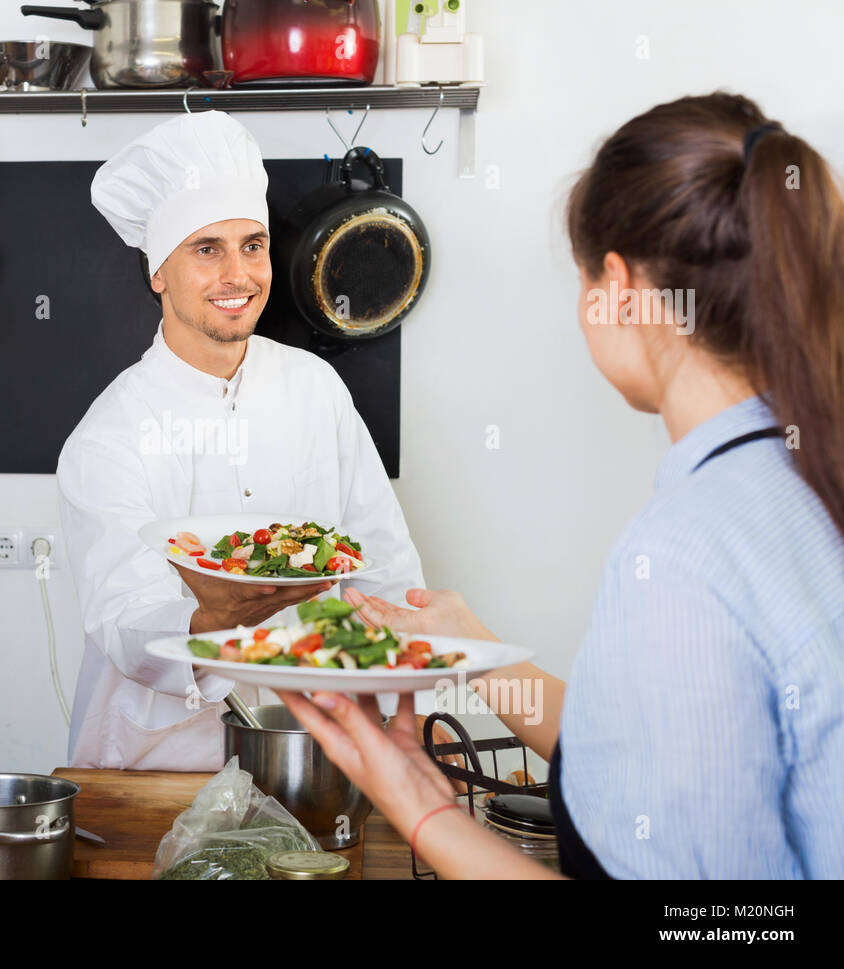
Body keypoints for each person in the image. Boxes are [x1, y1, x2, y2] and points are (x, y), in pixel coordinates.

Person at [280, 92, 844, 878]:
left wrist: (424, 810)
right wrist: (474, 652)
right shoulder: (801, 477)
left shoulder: (685, 554)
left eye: (581, 279)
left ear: (617, 284)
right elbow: (667, 753)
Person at [57, 110, 426, 771]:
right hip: (157, 765)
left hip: (309, 752)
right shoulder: (111, 435)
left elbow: (383, 570)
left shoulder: (317, 390)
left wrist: (406, 718)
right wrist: (213, 617)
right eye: (207, 249)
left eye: (251, 245)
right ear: (157, 272)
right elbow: (125, 620)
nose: (239, 274)